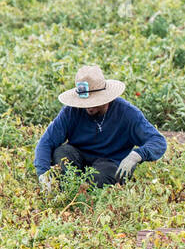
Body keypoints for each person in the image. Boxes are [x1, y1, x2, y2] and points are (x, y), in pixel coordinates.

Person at [33, 65, 167, 192]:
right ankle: (66, 187)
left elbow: (158, 141)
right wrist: (43, 174)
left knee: (98, 180)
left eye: (93, 102)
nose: (88, 107)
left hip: (110, 162)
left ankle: (80, 191)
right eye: (85, 102)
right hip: (79, 158)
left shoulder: (127, 113)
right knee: (61, 153)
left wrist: (136, 155)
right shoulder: (71, 111)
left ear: (106, 98)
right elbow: (46, 142)